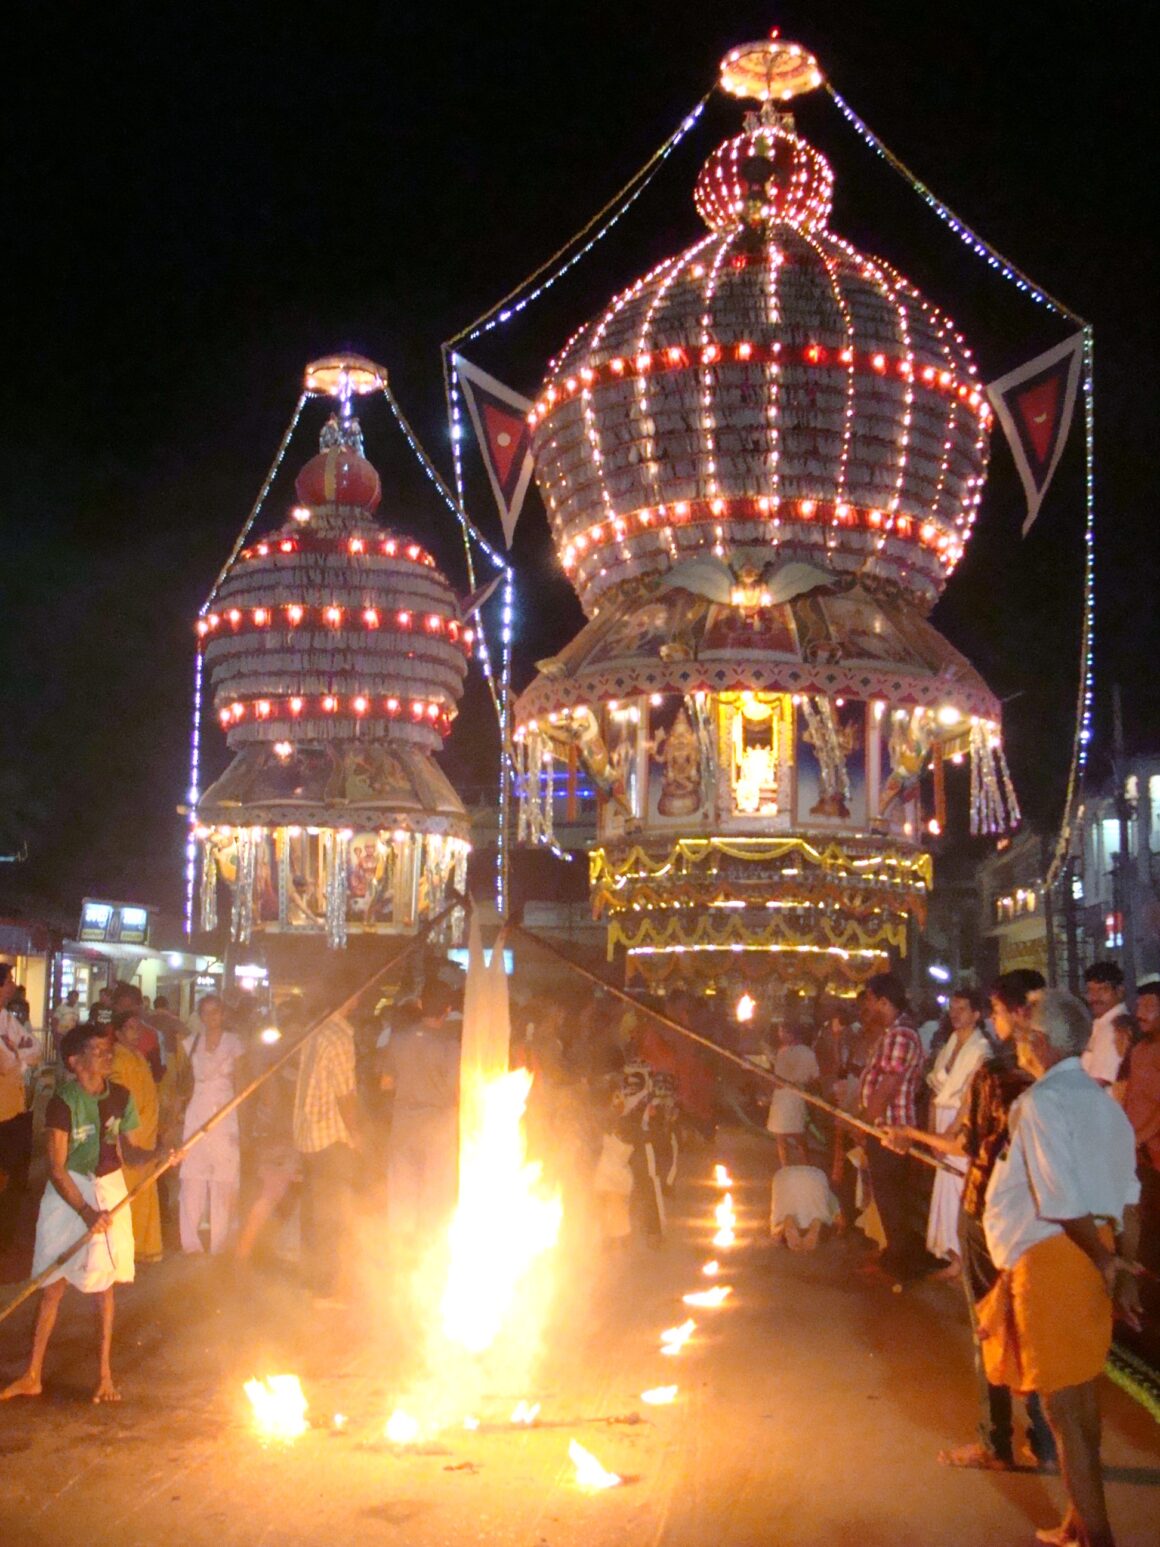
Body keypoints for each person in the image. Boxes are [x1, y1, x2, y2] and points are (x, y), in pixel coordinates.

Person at [982, 990, 1141, 1547]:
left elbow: (1061, 1199)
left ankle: (1096, 1537)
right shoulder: (1102, 1104)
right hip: (1083, 1257)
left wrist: (1105, 1261)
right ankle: (1080, 1520)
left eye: (1026, 1036)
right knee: (1081, 1402)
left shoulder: (1043, 1104)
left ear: (1042, 1045)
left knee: (1065, 1414)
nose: (1020, 1044)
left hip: (1055, 1262)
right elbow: (1128, 1197)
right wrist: (1119, 1264)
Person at [889, 969, 1057, 1471]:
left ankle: (995, 1439)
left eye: (998, 1012)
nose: (996, 1021)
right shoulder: (1064, 1074)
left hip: (991, 1214)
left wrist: (909, 1136)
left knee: (990, 1325)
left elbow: (966, 1145)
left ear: (1016, 1014)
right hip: (1046, 1218)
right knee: (1033, 1323)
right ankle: (1048, 1438)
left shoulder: (998, 1074)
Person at [1, 1023, 143, 1403]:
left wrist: (165, 1154)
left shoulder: (122, 1096)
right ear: (74, 1061)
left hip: (109, 1189)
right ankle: (32, 1374)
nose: (106, 1054)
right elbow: (57, 1167)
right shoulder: (62, 1101)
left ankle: (105, 1375)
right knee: (51, 1285)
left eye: (107, 1048)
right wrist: (84, 1211)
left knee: (103, 1287)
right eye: (97, 1050)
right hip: (70, 1194)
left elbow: (133, 1153)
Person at [858, 971, 936, 1282]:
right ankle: (896, 1253)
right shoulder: (892, 1031)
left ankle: (904, 1261)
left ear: (883, 1000)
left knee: (892, 1194)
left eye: (870, 999)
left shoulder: (902, 1034)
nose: (868, 1006)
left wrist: (864, 1122)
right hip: (883, 1126)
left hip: (892, 1128)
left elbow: (889, 1084)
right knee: (886, 1193)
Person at [293, 998, 364, 1304]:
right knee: (332, 1216)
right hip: (330, 1136)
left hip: (309, 1135)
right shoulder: (337, 1036)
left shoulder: (314, 1030)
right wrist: (357, 1133)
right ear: (352, 997)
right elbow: (345, 1093)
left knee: (315, 1212)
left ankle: (314, 1282)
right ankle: (329, 1287)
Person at [381, 978, 461, 1245]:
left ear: (421, 1004)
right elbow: (457, 1091)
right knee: (436, 1198)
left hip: (403, 1123)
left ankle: (400, 1258)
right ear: (448, 1009)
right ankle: (428, 1259)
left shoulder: (398, 1040)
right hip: (438, 1127)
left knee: (402, 1196)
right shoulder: (450, 1046)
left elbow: (386, 1084)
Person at [922, 986, 991, 1279]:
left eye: (962, 1008)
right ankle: (953, 1256)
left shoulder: (981, 1049)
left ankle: (963, 1256)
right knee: (946, 1187)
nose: (955, 1014)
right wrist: (932, 1127)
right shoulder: (951, 1042)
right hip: (943, 1116)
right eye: (952, 1008)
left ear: (976, 1014)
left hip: (961, 1122)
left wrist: (950, 1132)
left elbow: (969, 1098)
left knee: (960, 1187)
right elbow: (937, 1090)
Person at [179, 994, 244, 1255]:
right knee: (192, 1174)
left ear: (223, 1014)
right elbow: (183, 1083)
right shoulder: (191, 1043)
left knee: (224, 1176)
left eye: (215, 1012)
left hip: (225, 1110)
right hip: (197, 1110)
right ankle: (190, 1243)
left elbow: (241, 1079)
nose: (211, 1017)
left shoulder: (234, 1043)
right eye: (205, 1012)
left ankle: (221, 1243)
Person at [108, 1010, 163, 1263]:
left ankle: (139, 1248)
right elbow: (121, 1101)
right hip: (131, 1139)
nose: (136, 1032)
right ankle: (122, 1250)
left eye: (137, 1027)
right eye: (130, 1028)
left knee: (142, 1195)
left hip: (146, 1136)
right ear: (118, 1033)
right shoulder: (118, 1060)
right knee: (127, 1197)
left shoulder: (138, 1056)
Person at [1121, 982, 1160, 1337]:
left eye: (1149, 1007)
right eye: (1140, 1006)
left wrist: (1138, 1137)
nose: (1141, 1014)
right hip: (1142, 1161)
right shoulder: (1139, 1052)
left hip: (1152, 1155)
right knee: (1146, 1235)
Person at [0, 963, 40, 1251]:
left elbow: (35, 1049)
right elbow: (5, 1062)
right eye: (9, 980)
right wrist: (17, 1056)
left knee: (10, 1174)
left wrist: (17, 1055)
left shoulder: (8, 1020)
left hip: (12, 1110)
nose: (12, 985)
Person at [766, 1022, 820, 1168]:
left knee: (798, 1135)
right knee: (781, 1136)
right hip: (781, 1096)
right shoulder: (782, 1051)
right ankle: (786, 1167)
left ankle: (805, 1165)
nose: (780, 1035)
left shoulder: (807, 1053)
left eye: (783, 1032)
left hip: (795, 1096)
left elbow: (814, 1077)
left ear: (792, 1034)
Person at [1081, 962, 1127, 1089]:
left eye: (1103, 990)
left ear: (1119, 991)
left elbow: (1098, 1082)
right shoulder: (1101, 1025)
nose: (1095, 997)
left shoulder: (1114, 1028)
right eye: (1090, 990)